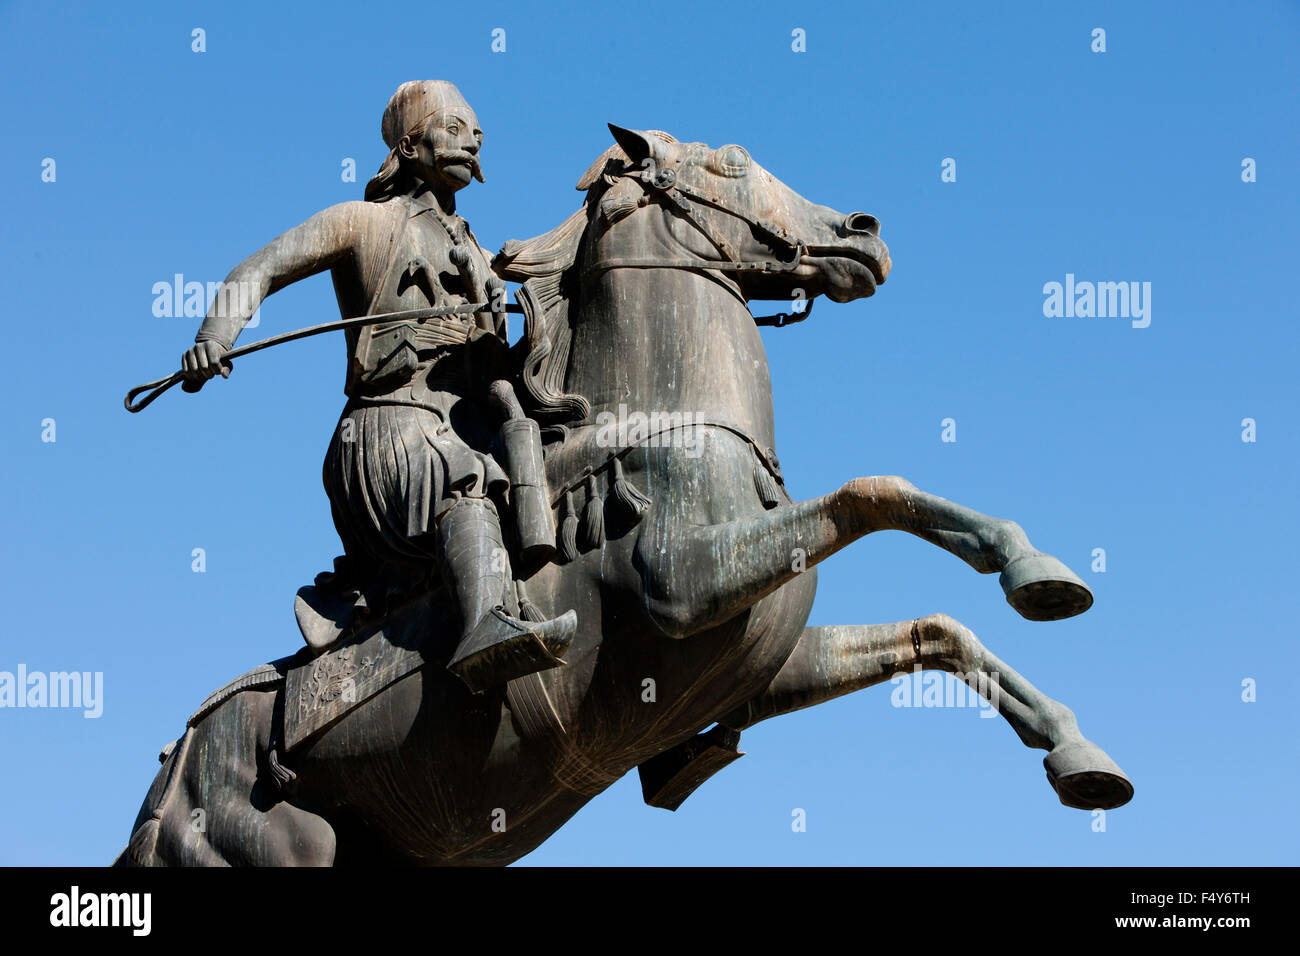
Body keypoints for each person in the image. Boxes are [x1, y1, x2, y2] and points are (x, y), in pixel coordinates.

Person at [179, 80, 575, 693]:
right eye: (454, 128)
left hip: (462, 423)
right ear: (410, 146)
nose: (472, 140)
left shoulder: (476, 249)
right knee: (461, 475)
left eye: (478, 133)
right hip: (389, 430)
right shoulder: (365, 224)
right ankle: (483, 631)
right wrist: (215, 336)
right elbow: (257, 269)